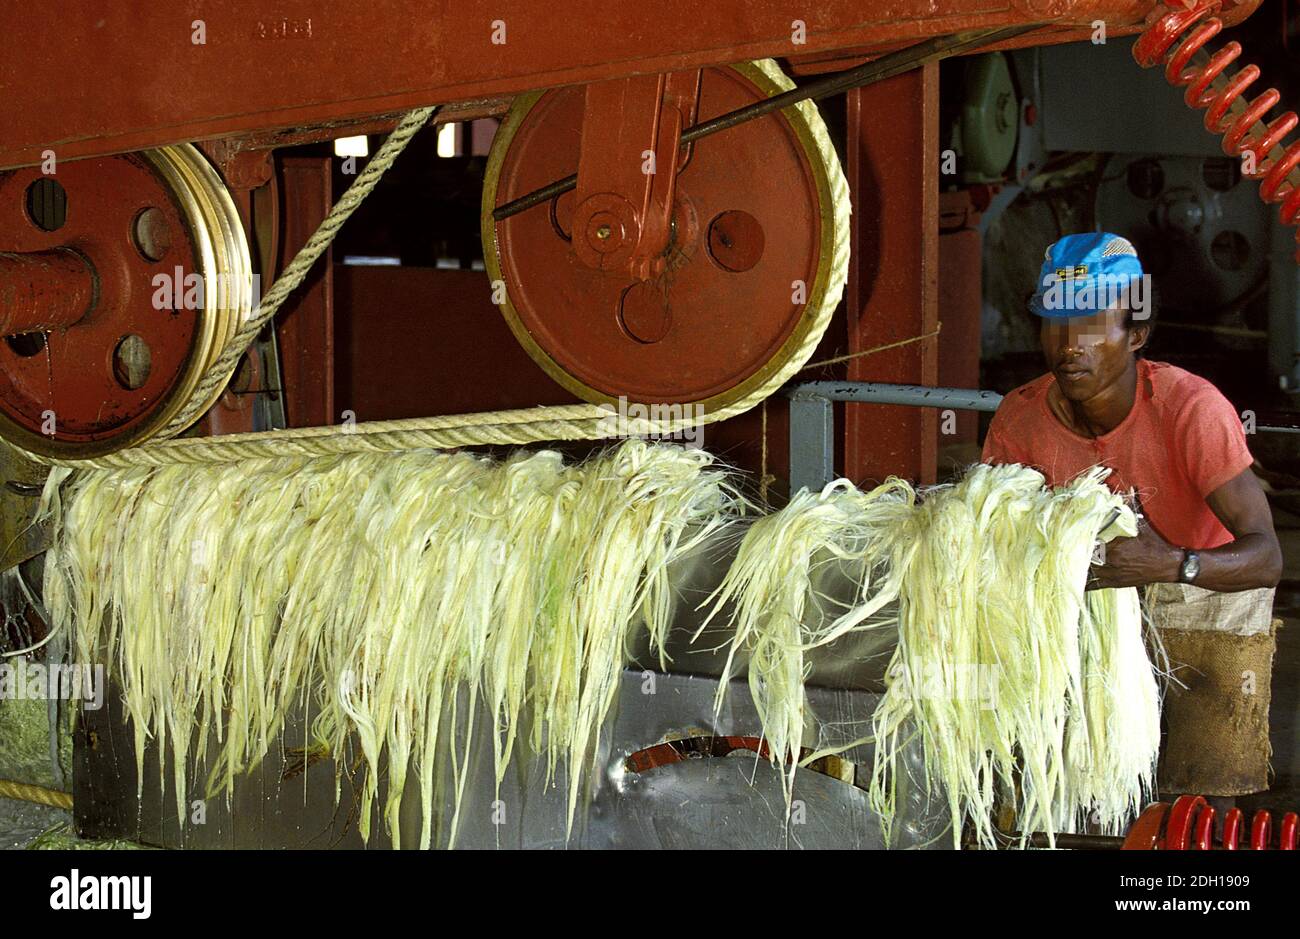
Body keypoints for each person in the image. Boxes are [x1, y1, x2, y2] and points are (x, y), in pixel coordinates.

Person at [982, 231, 1282, 819]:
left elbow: (1268, 557)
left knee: (1199, 791)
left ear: (1137, 334)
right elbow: (996, 541)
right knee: (1063, 779)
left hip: (1205, 596)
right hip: (1087, 599)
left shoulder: (1191, 410)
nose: (1071, 346)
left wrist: (1172, 564)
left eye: (1093, 324)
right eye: (1056, 323)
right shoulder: (1019, 418)